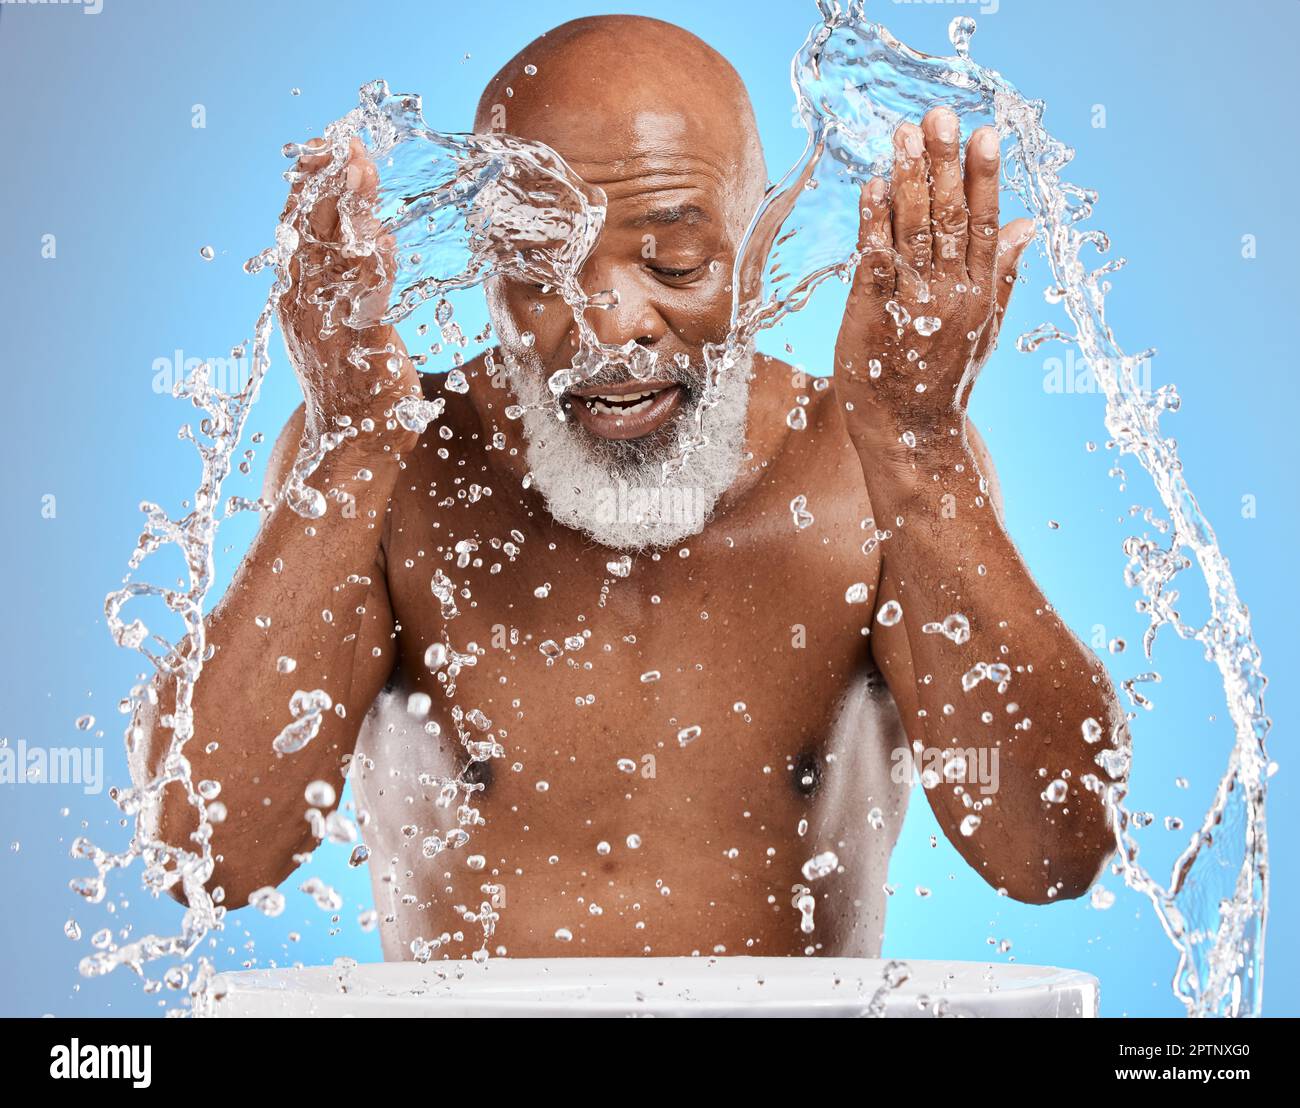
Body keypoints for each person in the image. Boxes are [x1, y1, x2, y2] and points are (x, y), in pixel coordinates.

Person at [133, 15, 1125, 960]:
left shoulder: (866, 469)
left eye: (675, 262)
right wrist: (348, 448)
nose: (610, 325)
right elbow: (197, 853)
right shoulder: (389, 460)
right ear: (478, 262)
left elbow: (1055, 852)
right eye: (540, 267)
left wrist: (920, 448)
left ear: (757, 249)